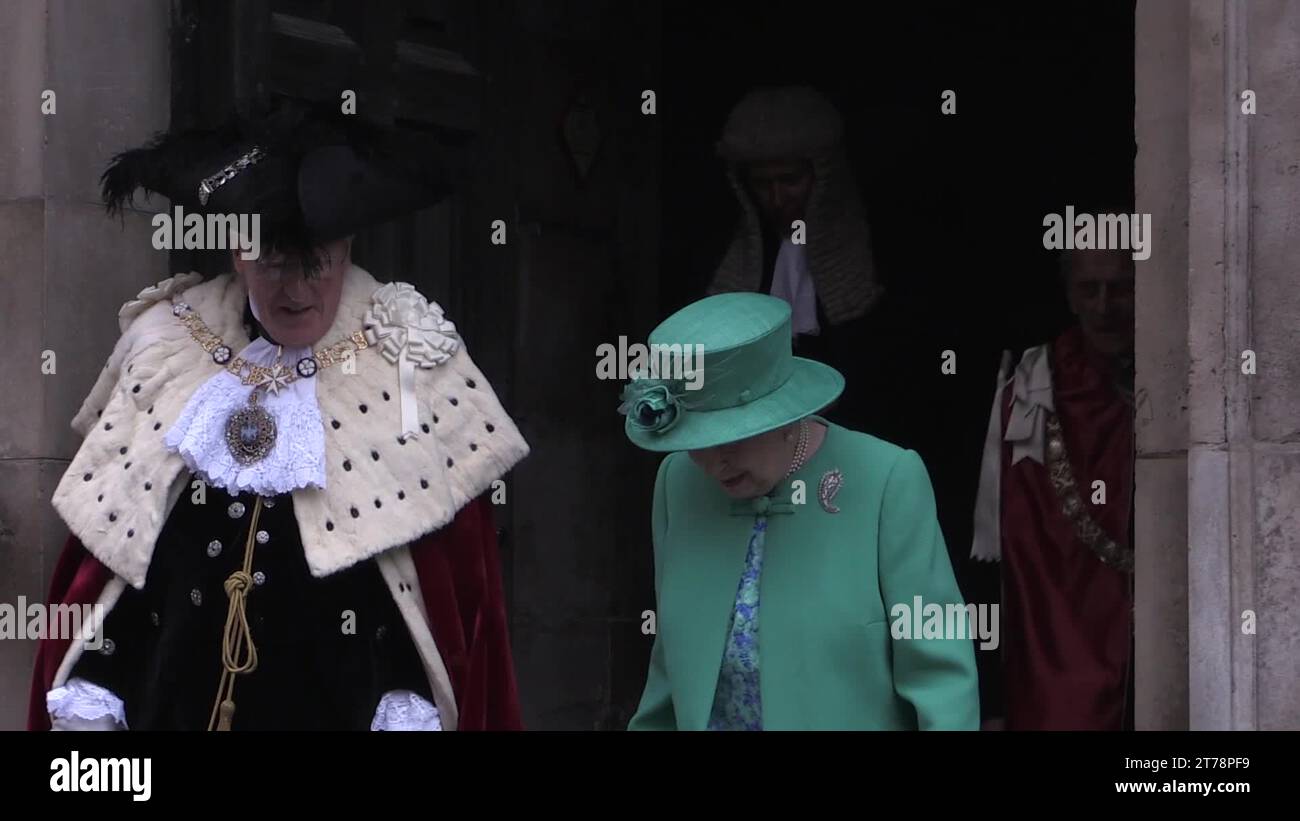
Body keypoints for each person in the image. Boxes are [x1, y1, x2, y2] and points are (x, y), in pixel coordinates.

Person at [28, 101, 531, 731]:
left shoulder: (411, 356)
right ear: (237, 252)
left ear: (347, 246)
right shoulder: (166, 343)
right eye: (273, 261)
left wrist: (409, 698)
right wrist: (96, 685)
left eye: (318, 261)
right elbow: (112, 561)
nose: (298, 291)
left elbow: (448, 593)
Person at [620, 292, 979, 730]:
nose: (713, 463)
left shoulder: (886, 479)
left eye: (729, 437)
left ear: (784, 415)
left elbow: (941, 678)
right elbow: (667, 670)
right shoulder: (677, 482)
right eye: (695, 441)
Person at [970, 244, 1136, 731]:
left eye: (1122, 289)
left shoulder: (1193, 374)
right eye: (1090, 289)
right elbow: (1002, 551)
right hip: (1058, 632)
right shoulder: (1033, 387)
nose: (1105, 307)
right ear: (1069, 295)